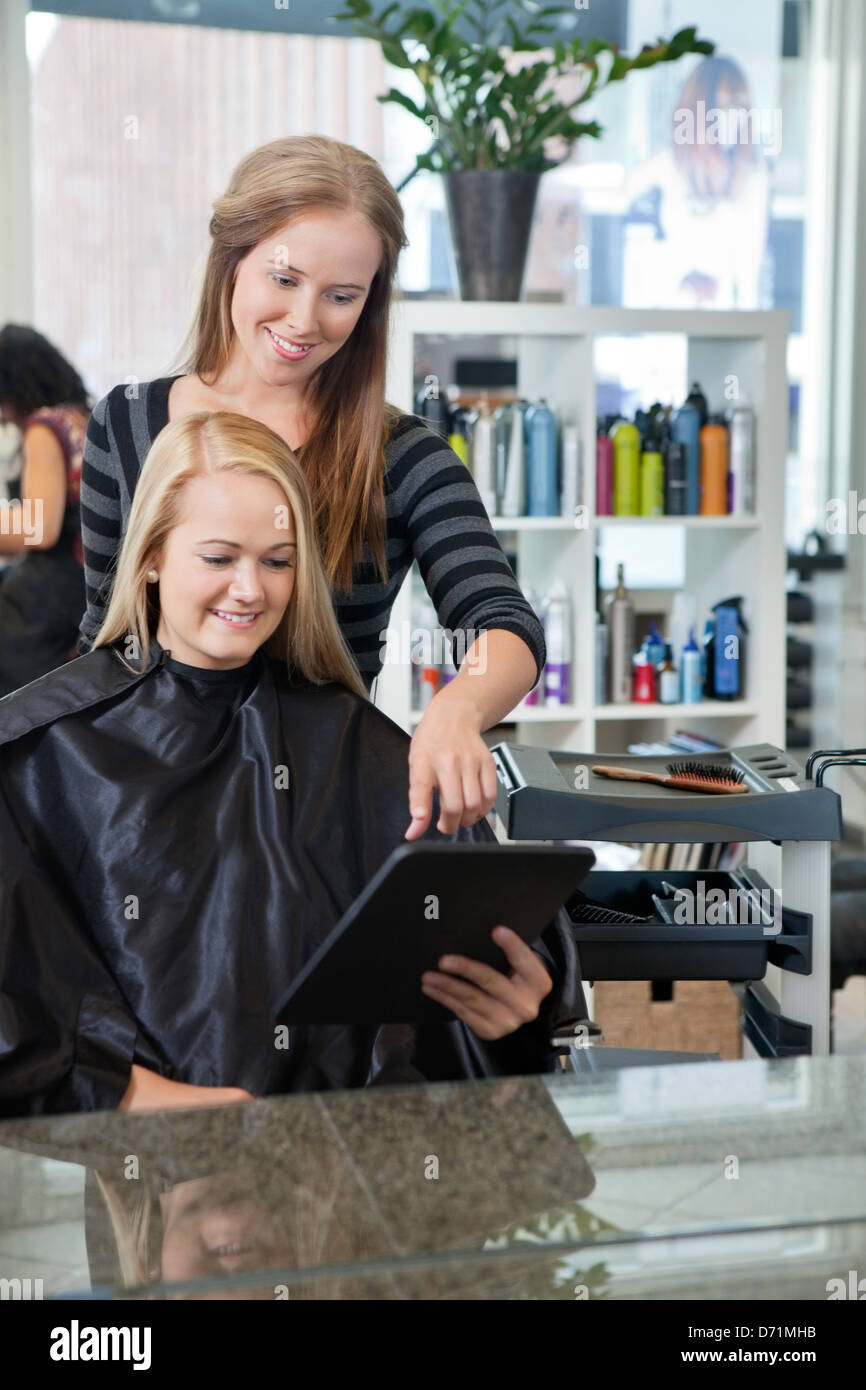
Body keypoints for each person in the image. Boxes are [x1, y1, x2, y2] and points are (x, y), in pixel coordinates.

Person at [0, 410, 583, 1118]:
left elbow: (474, 999)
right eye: (219, 558)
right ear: (149, 554)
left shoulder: (355, 744)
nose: (250, 589)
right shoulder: (39, 749)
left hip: (350, 1182)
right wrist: (133, 1096)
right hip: (144, 1178)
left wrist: (524, 1003)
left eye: (277, 561)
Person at [77, 134, 546, 845]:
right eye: (284, 279)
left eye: (341, 296)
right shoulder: (126, 423)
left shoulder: (402, 456)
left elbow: (503, 622)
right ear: (231, 258)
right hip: (151, 810)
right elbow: (102, 636)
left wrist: (456, 711)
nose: (304, 321)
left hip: (318, 818)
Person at [0, 324, 89, 695]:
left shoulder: (43, 428)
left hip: (50, 596)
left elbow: (38, 528)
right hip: (85, 588)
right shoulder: (78, 419)